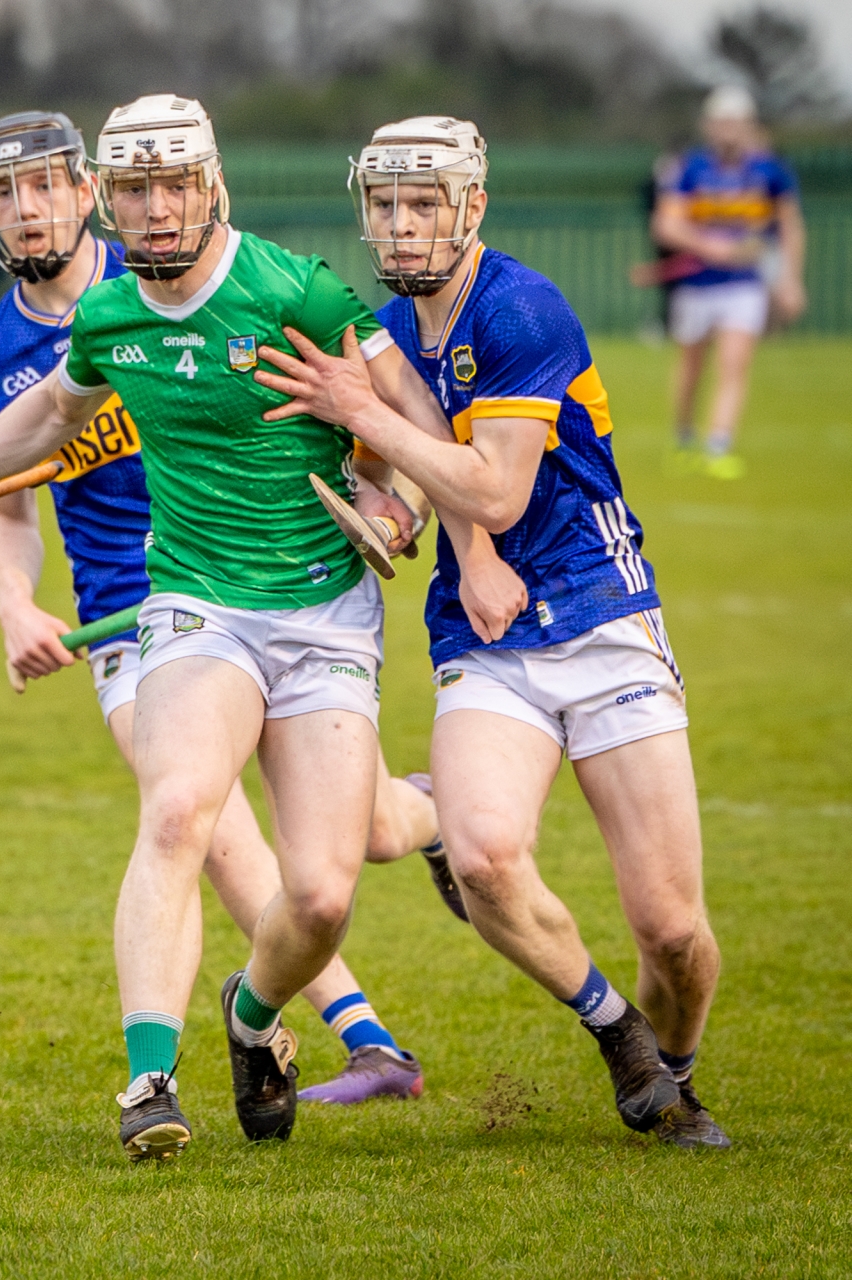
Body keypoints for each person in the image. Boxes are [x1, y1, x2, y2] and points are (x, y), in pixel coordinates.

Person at [0, 95, 472, 1156]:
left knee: (339, 861)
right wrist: (3, 589)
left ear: (87, 193)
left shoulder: (256, 284)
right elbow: (20, 483)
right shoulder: (9, 355)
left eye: (45, 187)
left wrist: (398, 497)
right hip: (154, 607)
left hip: (309, 603)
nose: (29, 214)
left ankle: (316, 954)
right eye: (4, 194)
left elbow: (389, 422)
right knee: (187, 813)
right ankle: (167, 1077)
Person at [253, 115, 727, 1149]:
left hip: (600, 610)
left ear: (472, 205)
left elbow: (500, 492)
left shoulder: (521, 308)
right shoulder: (378, 334)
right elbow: (405, 483)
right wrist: (388, 513)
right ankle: (621, 1040)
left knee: (674, 931)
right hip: (485, 634)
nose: (401, 224)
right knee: (485, 859)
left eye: (423, 204)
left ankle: (675, 1062)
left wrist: (369, 417)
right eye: (383, 205)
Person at [652, 85, 805, 480]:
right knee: (691, 368)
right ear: (708, 126)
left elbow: (790, 228)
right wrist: (708, 245)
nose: (728, 131)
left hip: (744, 284)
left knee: (734, 363)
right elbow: (665, 224)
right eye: (721, 123)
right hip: (697, 283)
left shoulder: (770, 172)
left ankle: (718, 445)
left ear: (749, 126)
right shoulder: (690, 169)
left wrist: (790, 279)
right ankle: (684, 435)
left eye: (735, 123)